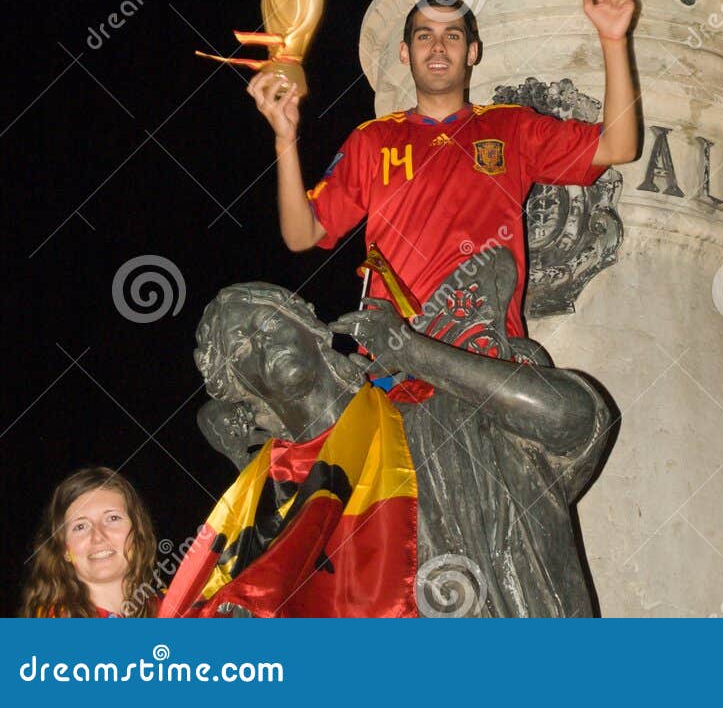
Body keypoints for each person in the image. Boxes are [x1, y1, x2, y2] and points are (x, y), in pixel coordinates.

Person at [164, 250, 613, 618]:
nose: (261, 342)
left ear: (310, 325)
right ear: (241, 385)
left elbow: (573, 418)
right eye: (241, 347)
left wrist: (414, 350)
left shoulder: (442, 411)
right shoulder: (271, 499)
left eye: (269, 322)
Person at [248, 0, 638, 336]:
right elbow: (302, 235)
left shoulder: (511, 127)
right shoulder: (372, 140)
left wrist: (613, 39)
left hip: (488, 352)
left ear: (472, 52)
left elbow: (619, 145)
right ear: (406, 52)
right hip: (396, 353)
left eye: (451, 36)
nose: (437, 47)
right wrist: (285, 140)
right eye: (424, 36)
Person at [21, 468, 159, 618]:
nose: (98, 536)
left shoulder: (172, 610)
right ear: (64, 549)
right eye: (81, 526)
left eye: (112, 518)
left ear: (137, 533)